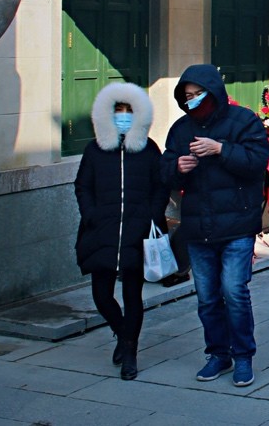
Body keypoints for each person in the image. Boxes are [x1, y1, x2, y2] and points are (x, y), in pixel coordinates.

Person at [161, 65, 269, 387]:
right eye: (188, 96)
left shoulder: (243, 120)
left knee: (234, 291)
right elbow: (165, 170)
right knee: (207, 297)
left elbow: (257, 162)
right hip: (198, 226)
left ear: (213, 91)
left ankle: (243, 356)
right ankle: (218, 354)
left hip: (237, 223)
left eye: (199, 94)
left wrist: (221, 149)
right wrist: (178, 167)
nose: (193, 100)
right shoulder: (181, 129)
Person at [74, 82, 169, 381]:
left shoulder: (149, 149)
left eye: (129, 111)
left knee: (132, 294)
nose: (124, 116)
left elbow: (161, 186)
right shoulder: (95, 150)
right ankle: (122, 332)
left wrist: (152, 216)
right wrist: (91, 214)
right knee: (101, 295)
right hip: (101, 230)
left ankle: (130, 353)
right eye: (119, 111)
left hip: (137, 232)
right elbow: (82, 186)